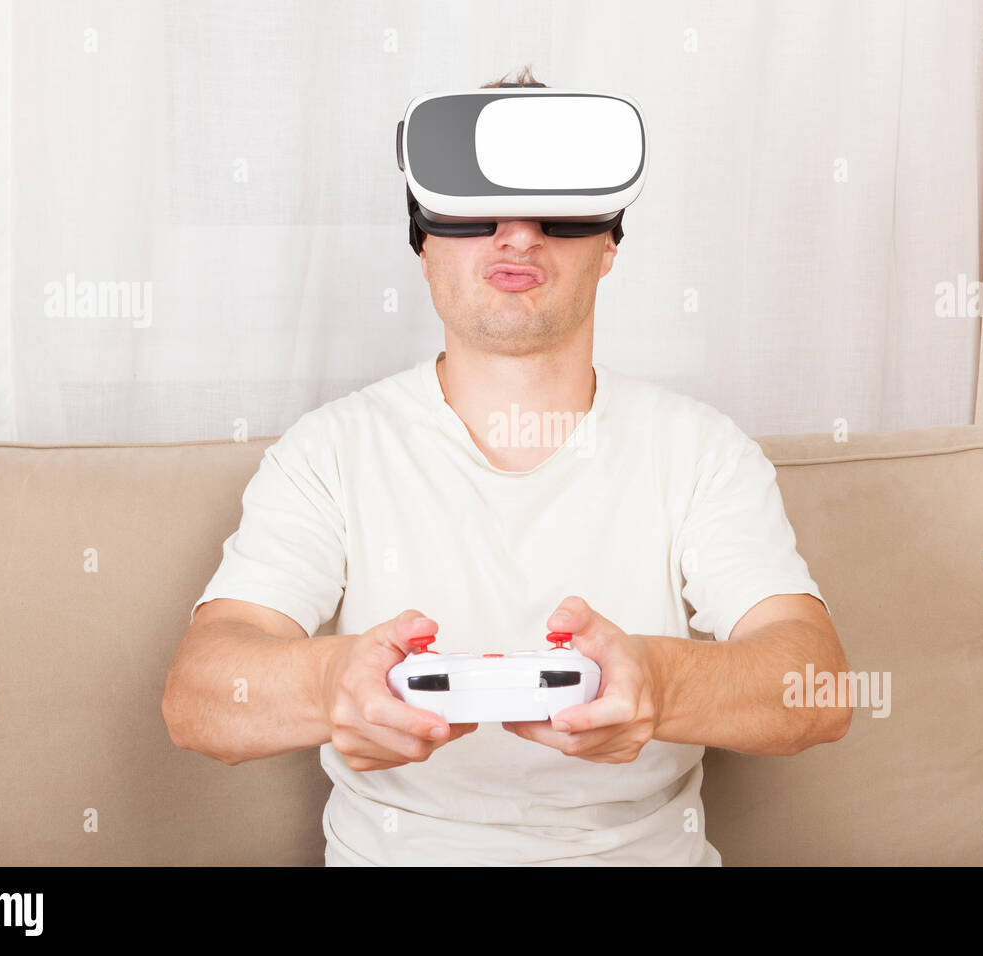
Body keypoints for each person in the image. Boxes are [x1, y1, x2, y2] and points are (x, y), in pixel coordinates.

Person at [162, 69, 851, 866]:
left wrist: (659, 680)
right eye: (475, 206)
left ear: (610, 243)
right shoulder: (330, 452)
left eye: (556, 211)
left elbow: (819, 687)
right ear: (422, 240)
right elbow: (197, 699)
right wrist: (332, 685)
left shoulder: (700, 451)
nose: (517, 236)